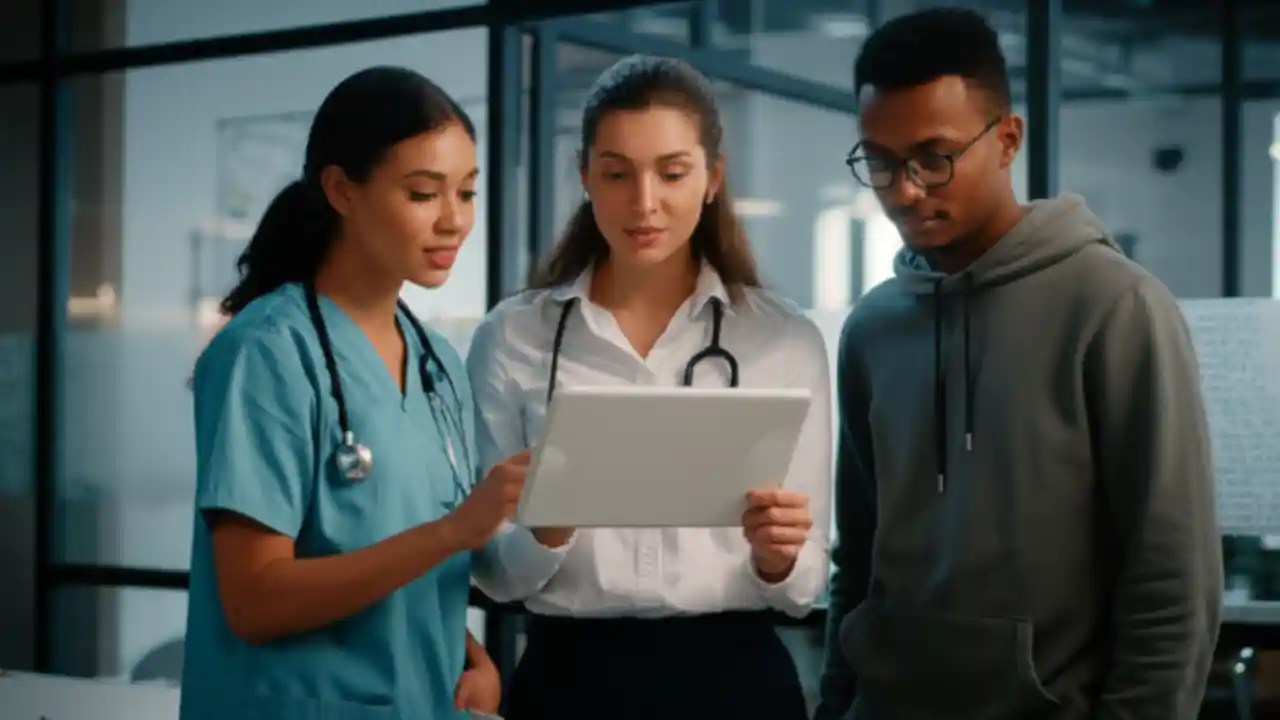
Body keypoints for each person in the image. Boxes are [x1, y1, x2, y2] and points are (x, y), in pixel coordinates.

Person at [815, 8, 1222, 720]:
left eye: (932, 157)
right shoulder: (873, 329)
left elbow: (1172, 577)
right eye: (878, 161)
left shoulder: (1115, 307)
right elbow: (862, 559)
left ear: (1007, 140)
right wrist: (835, 705)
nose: (904, 189)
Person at [465, 54, 832, 720]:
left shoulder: (784, 340)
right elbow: (490, 571)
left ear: (713, 177)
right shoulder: (513, 338)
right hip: (568, 683)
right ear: (585, 177)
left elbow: (805, 587)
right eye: (616, 174)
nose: (644, 203)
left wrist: (779, 559)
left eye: (672, 173)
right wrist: (545, 532)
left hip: (735, 685)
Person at [179, 66, 528, 720]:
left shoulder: (438, 365)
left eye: (468, 192)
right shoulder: (267, 353)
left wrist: (465, 655)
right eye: (424, 193)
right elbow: (256, 600)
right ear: (341, 190)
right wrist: (454, 530)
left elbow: (388, 554)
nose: (454, 221)